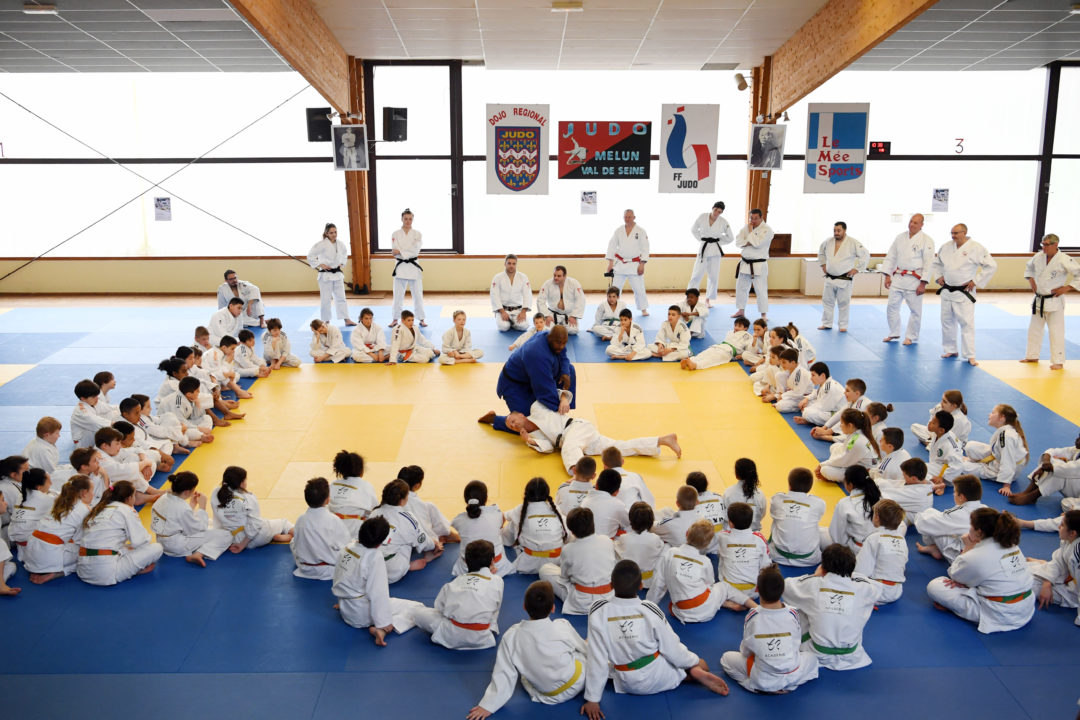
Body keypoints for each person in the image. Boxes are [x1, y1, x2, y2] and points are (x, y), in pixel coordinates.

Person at [581, 560, 730, 720]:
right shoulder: (649, 610)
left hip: (626, 679)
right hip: (657, 674)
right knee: (702, 664)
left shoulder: (598, 611)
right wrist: (691, 661)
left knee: (597, 654)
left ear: (611, 585)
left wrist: (592, 698)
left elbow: (597, 658)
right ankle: (689, 673)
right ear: (640, 586)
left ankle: (687, 672)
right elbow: (672, 648)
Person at [467, 580, 587, 718]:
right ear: (553, 608)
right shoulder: (562, 626)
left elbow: (504, 673)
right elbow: (585, 650)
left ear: (524, 606)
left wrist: (488, 705)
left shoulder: (511, 636)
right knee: (582, 650)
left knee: (524, 674)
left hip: (545, 695)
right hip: (575, 685)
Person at [926, 507, 1035, 633]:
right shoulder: (1011, 544)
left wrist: (968, 547)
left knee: (935, 586)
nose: (969, 529)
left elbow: (953, 575)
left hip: (998, 614)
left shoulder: (976, 556)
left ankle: (957, 607)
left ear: (979, 532)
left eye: (971, 526)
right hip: (1025, 609)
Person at [506, 400, 680, 476]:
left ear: (521, 414)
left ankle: (578, 473)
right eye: (510, 426)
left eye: (513, 420)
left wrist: (564, 399)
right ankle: (662, 440)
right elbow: (549, 448)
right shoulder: (531, 437)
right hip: (580, 442)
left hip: (576, 428)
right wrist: (529, 440)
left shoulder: (536, 408)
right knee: (618, 449)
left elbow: (556, 393)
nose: (513, 425)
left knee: (568, 448)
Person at [720, 566, 819, 694]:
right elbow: (796, 643)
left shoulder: (753, 616)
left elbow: (745, 650)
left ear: (758, 590)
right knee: (812, 659)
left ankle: (750, 685)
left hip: (763, 677)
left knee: (726, 659)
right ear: (782, 591)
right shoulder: (793, 613)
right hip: (792, 674)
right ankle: (782, 685)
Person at [782, 544, 882, 671]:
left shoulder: (814, 584)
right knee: (858, 607)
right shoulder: (862, 588)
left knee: (801, 605)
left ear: (823, 567)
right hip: (852, 655)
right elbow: (878, 587)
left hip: (817, 653)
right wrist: (853, 576)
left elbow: (785, 586)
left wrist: (815, 576)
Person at [647, 519, 755, 622]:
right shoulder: (704, 561)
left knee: (698, 591)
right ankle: (755, 607)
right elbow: (710, 585)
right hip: (706, 610)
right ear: (706, 545)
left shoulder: (671, 553)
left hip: (681, 612)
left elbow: (658, 583)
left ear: (687, 533)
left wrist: (648, 606)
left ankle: (725, 603)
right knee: (724, 587)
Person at [331, 516, 415, 646]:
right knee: (416, 608)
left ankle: (346, 604)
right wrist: (383, 622)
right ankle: (380, 630)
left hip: (346, 609)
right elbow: (378, 593)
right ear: (380, 542)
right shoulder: (374, 556)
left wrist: (343, 597)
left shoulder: (348, 547)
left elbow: (340, 575)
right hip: (362, 615)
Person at [411, 539, 504, 650]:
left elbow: (439, 608)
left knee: (417, 613)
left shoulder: (455, 583)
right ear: (492, 561)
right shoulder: (498, 581)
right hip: (482, 638)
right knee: (493, 607)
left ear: (465, 562)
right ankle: (491, 628)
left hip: (451, 635)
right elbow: (495, 607)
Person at [485, 326, 576, 435]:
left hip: (530, 378)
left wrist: (565, 373)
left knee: (569, 370)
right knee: (529, 425)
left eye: (564, 343)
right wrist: (556, 417)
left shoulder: (556, 338)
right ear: (550, 338)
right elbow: (544, 390)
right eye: (559, 343)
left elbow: (563, 356)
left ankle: (564, 409)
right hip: (514, 385)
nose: (561, 346)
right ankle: (495, 420)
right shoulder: (536, 353)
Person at [930, 223, 997, 366]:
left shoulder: (976, 248)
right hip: (947, 290)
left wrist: (976, 280)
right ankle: (951, 349)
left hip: (964, 292)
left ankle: (970, 355)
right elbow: (936, 263)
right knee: (946, 321)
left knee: (966, 324)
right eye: (952, 233)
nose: (953, 236)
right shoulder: (946, 247)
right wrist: (938, 276)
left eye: (956, 233)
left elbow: (991, 265)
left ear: (964, 232)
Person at [77, 481, 163, 586]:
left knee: (126, 547)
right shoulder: (126, 510)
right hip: (105, 574)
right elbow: (141, 542)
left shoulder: (98, 508)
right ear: (129, 498)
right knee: (157, 548)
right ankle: (134, 570)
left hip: (83, 569)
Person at [538, 507, 617, 615]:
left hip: (580, 602)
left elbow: (564, 579)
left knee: (545, 569)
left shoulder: (568, 549)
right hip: (608, 598)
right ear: (593, 524)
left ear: (572, 531)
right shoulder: (607, 541)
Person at [1021, 233, 1079, 370]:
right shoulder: (1038, 256)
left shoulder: (1065, 259)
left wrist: (1067, 287)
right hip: (1039, 299)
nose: (1044, 247)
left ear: (1055, 244)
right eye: (1042, 244)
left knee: (1056, 331)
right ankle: (1032, 356)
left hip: (1055, 300)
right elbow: (1028, 267)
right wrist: (1031, 279)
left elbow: (1078, 274)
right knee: (1034, 330)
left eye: (1047, 245)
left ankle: (1058, 361)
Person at [367, 478, 443, 583]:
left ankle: (404, 565)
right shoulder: (407, 517)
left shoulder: (374, 513)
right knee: (409, 538)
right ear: (402, 500)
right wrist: (435, 545)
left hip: (369, 568)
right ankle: (407, 567)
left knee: (393, 539)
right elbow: (422, 541)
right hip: (392, 572)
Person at [151, 471, 232, 568]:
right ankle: (199, 554)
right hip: (177, 545)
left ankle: (199, 550)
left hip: (162, 541)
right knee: (226, 534)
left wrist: (192, 506)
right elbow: (198, 529)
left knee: (210, 523)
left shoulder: (163, 498)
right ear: (187, 492)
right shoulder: (182, 508)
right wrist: (202, 507)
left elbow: (176, 519)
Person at [23, 475, 92, 584]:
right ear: (84, 493)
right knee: (87, 553)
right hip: (49, 556)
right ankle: (58, 572)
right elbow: (82, 540)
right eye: (91, 491)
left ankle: (39, 568)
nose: (93, 494)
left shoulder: (58, 502)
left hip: (30, 551)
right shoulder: (83, 509)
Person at [880, 213, 936, 344]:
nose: (912, 224)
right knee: (891, 307)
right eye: (911, 221)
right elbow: (891, 257)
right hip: (899, 277)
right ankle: (894, 332)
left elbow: (929, 262)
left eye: (916, 222)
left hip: (915, 280)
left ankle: (911, 336)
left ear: (922, 225)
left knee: (915, 311)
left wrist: (923, 283)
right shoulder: (900, 237)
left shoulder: (927, 240)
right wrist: (887, 275)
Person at [213, 466, 294, 553]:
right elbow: (256, 525)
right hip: (256, 538)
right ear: (241, 483)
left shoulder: (216, 493)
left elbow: (218, 518)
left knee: (263, 522)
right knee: (284, 523)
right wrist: (242, 545)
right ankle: (298, 536)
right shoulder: (248, 497)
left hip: (233, 538)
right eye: (245, 480)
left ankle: (275, 535)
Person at [501, 477, 568, 575]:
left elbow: (503, 516)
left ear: (526, 494)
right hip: (555, 563)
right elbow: (567, 532)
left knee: (514, 522)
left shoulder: (521, 509)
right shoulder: (555, 509)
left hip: (528, 563)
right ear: (547, 494)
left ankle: (505, 541)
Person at [915, 474, 985, 562]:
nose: (953, 494)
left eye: (955, 492)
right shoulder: (986, 509)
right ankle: (935, 548)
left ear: (961, 497)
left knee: (930, 518)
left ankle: (936, 548)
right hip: (986, 555)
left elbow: (922, 525)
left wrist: (917, 516)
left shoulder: (958, 513)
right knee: (943, 522)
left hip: (964, 558)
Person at [291, 477, 351, 581]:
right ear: (328, 499)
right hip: (329, 570)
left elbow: (297, 544)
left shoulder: (300, 520)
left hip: (305, 568)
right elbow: (346, 545)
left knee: (293, 542)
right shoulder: (333, 520)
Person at [959, 404, 1028, 491]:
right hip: (996, 457)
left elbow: (1008, 460)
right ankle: (973, 461)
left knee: (960, 466)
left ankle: (980, 466)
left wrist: (1006, 485)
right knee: (970, 446)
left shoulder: (1007, 437)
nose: (989, 415)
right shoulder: (1006, 431)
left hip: (999, 470)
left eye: (993, 413)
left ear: (1002, 418)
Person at [450, 481, 513, 576]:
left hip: (468, 569)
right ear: (486, 498)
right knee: (500, 534)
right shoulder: (497, 514)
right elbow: (502, 522)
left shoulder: (459, 519)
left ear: (466, 500)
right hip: (496, 567)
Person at [1028, 509, 1080, 626]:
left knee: (1028, 585)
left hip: (1072, 593)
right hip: (1069, 578)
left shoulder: (1077, 555)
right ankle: (1042, 565)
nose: (1059, 526)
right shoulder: (1070, 540)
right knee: (1028, 568)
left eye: (1062, 525)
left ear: (1073, 533)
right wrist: (1047, 582)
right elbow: (1058, 560)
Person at [853, 499, 908, 604]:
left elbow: (861, 571)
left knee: (846, 576)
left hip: (877, 592)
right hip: (896, 591)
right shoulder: (902, 539)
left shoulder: (874, 538)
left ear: (877, 517)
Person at [769, 467, 826, 567]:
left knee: (777, 521)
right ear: (810, 487)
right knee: (821, 530)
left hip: (777, 556)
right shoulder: (818, 503)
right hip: (809, 560)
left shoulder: (777, 499)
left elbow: (773, 513)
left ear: (789, 485)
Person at [816, 221, 868, 332]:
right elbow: (821, 253)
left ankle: (843, 325)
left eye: (839, 230)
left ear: (844, 230)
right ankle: (826, 323)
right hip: (830, 278)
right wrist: (823, 264)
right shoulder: (828, 241)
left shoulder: (853, 242)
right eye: (834, 230)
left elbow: (865, 254)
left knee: (843, 303)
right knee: (827, 302)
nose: (836, 233)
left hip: (844, 278)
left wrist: (857, 269)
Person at [1006, 432, 1080, 506]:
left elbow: (1068, 469)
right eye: (1079, 436)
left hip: (1077, 495)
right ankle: (1027, 492)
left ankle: (1031, 497)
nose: (1077, 439)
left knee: (1060, 472)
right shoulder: (1076, 450)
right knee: (1053, 462)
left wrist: (1045, 467)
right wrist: (1046, 463)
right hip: (1074, 484)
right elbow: (1052, 451)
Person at [821, 466, 881, 553]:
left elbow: (836, 536)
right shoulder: (880, 498)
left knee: (820, 532)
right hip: (880, 548)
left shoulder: (845, 503)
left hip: (856, 550)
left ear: (850, 485)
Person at [716, 503, 771, 596]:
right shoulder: (759, 539)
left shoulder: (722, 536)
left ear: (730, 523)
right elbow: (766, 565)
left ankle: (733, 602)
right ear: (750, 521)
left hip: (728, 590)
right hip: (753, 592)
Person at [307, 222, 354, 326]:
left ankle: (346, 319)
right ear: (326, 233)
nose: (334, 234)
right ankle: (326, 320)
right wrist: (320, 264)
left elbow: (344, 255)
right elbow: (310, 255)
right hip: (325, 275)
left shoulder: (340, 244)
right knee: (326, 299)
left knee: (341, 297)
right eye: (331, 232)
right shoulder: (321, 244)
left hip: (337, 274)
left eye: (335, 232)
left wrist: (342, 262)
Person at [688, 201, 733, 306]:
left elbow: (730, 237)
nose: (717, 213)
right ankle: (691, 297)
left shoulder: (723, 222)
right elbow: (693, 229)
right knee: (696, 275)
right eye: (716, 210)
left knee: (713, 276)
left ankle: (708, 299)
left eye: (720, 212)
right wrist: (703, 239)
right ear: (712, 208)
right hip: (703, 249)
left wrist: (717, 241)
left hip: (715, 251)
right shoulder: (702, 217)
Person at [605, 209, 650, 315]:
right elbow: (612, 245)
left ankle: (643, 309)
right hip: (620, 264)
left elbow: (645, 248)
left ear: (634, 217)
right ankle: (612, 308)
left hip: (635, 264)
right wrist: (610, 263)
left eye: (629, 217)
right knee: (615, 289)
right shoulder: (619, 231)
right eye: (625, 217)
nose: (627, 219)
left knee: (639, 289)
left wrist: (642, 264)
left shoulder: (640, 231)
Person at [733, 209, 774, 320]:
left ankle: (763, 314)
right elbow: (737, 242)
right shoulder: (745, 228)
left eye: (756, 218)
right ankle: (741, 311)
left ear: (761, 218)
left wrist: (750, 234)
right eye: (751, 218)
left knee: (760, 290)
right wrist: (748, 242)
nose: (753, 220)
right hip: (745, 262)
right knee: (741, 287)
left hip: (759, 264)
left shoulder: (767, 230)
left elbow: (757, 244)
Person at [615, 502, 665, 589]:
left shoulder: (624, 538)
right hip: (648, 581)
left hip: (627, 580)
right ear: (651, 521)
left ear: (630, 520)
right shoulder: (655, 539)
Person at [329, 450, 377, 537]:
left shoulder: (333, 484)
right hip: (354, 532)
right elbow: (376, 509)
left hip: (331, 530)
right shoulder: (366, 486)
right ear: (361, 470)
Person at [390, 208, 425, 327]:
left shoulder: (417, 234)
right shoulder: (395, 234)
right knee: (398, 294)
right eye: (405, 218)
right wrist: (400, 251)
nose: (408, 221)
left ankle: (421, 318)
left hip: (413, 267)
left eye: (410, 219)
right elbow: (394, 251)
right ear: (402, 219)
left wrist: (400, 251)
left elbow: (415, 250)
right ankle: (395, 318)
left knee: (417, 294)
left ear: (413, 219)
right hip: (400, 267)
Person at [681, 317, 752, 371]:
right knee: (705, 353)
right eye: (735, 325)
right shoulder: (730, 332)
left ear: (746, 328)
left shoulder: (747, 335)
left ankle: (696, 365)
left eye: (739, 326)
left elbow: (749, 349)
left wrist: (742, 355)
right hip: (719, 346)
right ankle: (691, 360)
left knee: (712, 359)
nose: (736, 328)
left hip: (728, 351)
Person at [882, 458, 935, 523]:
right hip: (910, 506)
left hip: (907, 517)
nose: (903, 476)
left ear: (913, 478)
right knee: (883, 484)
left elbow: (885, 496)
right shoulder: (922, 480)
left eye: (904, 475)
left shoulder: (915, 493)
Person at [582, 469, 630, 539]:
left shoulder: (585, 500)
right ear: (616, 492)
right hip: (606, 546)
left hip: (584, 543)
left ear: (596, 485)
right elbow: (629, 524)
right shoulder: (619, 505)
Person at [537, 265, 586, 334]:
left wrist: (574, 316)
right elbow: (540, 300)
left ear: (565, 276)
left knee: (573, 331)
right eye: (554, 275)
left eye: (559, 276)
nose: (555, 278)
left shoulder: (574, 283)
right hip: (553, 314)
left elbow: (581, 299)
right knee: (546, 330)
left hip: (568, 314)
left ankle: (560, 328)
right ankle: (559, 327)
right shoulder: (548, 284)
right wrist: (546, 316)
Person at [490, 254, 532, 332]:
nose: (511, 266)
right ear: (505, 264)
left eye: (513, 263)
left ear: (516, 264)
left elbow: (527, 295)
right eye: (509, 263)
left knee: (524, 326)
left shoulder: (523, 277)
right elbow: (494, 295)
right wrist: (502, 312)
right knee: (503, 327)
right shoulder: (498, 277)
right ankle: (511, 323)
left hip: (518, 310)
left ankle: (512, 323)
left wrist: (523, 312)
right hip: (503, 309)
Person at [724, 458, 767, 532]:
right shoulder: (760, 495)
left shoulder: (728, 493)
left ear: (736, 475)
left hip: (732, 535)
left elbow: (725, 516)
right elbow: (762, 514)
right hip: (754, 536)